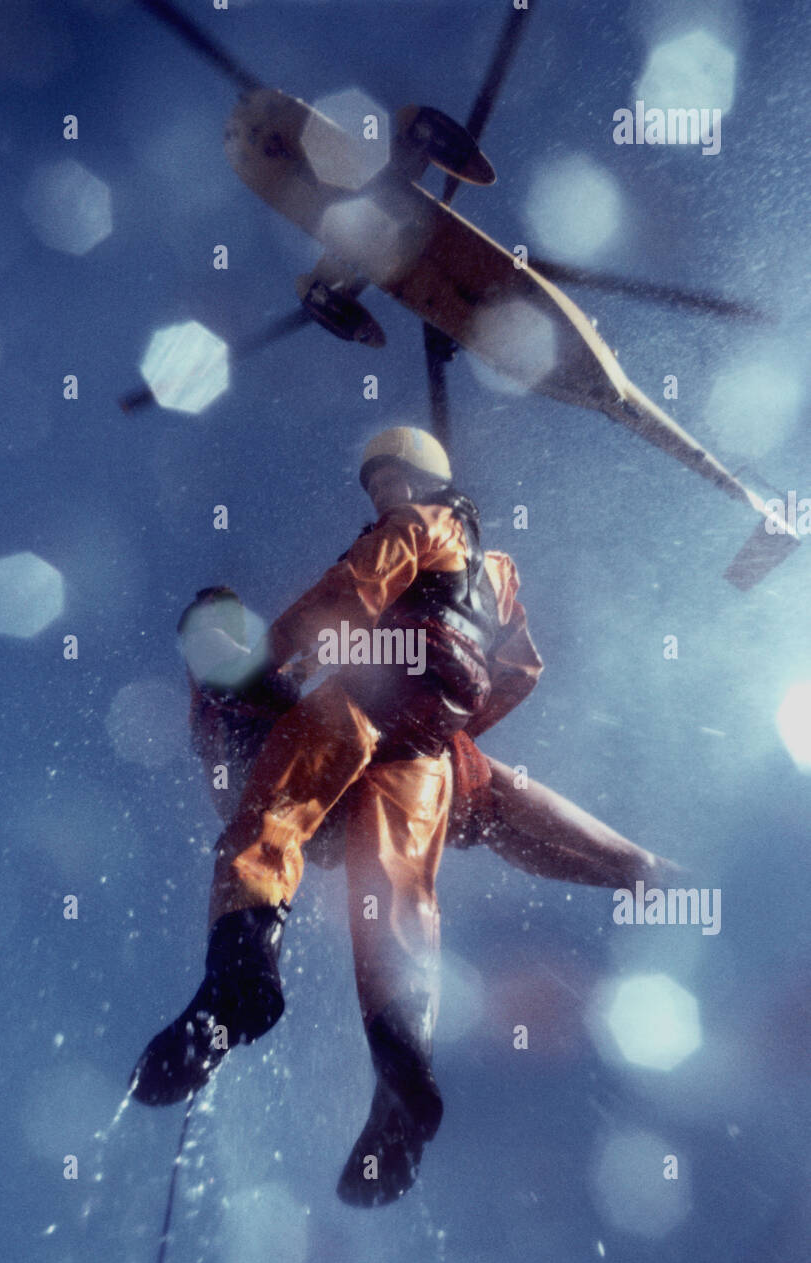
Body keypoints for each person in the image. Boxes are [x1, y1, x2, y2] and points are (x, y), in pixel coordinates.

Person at [130, 428, 684, 1206]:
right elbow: (518, 666)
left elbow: (350, 594)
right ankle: (396, 1065)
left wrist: (296, 656)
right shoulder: (489, 569)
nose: (384, 492)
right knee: (398, 886)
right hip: (407, 740)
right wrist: (454, 715)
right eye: (377, 483)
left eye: (394, 479)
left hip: (371, 716)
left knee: (308, 833)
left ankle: (256, 986)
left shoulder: (424, 529)